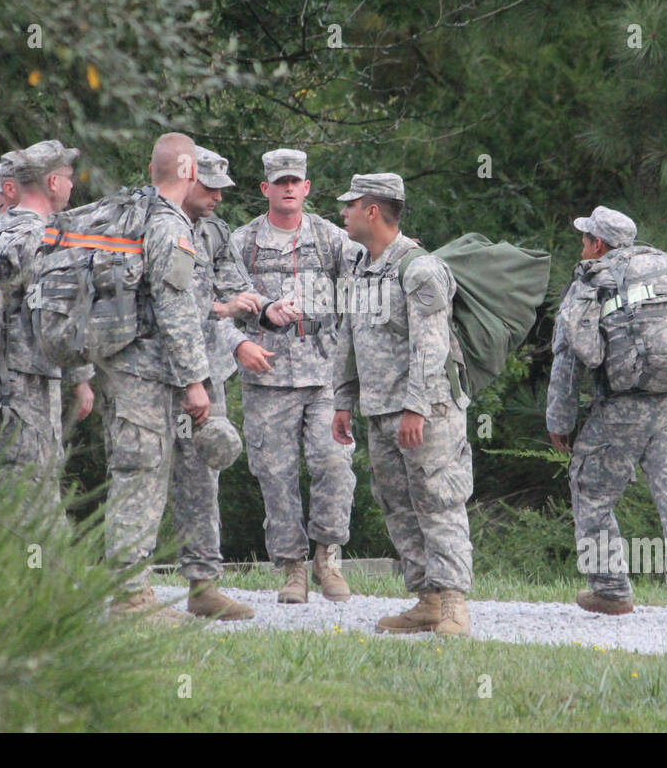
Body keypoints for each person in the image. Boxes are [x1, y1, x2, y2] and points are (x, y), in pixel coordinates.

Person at [545, 206, 667, 624]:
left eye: (585, 240)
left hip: (621, 408)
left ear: (598, 244)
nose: (581, 247)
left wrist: (559, 421)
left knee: (592, 491)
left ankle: (611, 590)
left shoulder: (593, 279)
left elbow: (568, 358)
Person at [331, 173, 474, 637]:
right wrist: (343, 400)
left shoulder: (420, 268)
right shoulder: (359, 266)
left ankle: (454, 603)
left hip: (427, 411)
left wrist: (416, 407)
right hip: (380, 409)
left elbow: (431, 345)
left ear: (373, 210)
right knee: (396, 503)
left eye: (350, 205)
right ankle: (427, 601)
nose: (344, 213)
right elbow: (350, 339)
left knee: (438, 499)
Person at [168, 146, 294, 620]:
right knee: (144, 472)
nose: (219, 197)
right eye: (210, 187)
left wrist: (263, 309)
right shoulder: (159, 228)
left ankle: (203, 584)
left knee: (204, 475)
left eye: (224, 189)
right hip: (157, 375)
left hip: (206, 371)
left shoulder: (214, 232)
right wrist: (222, 315)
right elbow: (170, 306)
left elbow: (233, 288)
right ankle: (131, 588)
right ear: (186, 180)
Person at [230, 147, 357, 604]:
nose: (287, 188)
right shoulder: (241, 243)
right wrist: (239, 343)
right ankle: (292, 568)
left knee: (334, 463)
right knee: (274, 474)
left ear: (306, 188)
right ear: (265, 188)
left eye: (295, 181)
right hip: (267, 377)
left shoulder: (330, 238)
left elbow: (371, 272)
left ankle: (328, 556)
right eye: (278, 182)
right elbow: (216, 303)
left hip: (325, 374)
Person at [99, 132, 213, 624]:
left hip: (125, 372)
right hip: (142, 378)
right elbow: (174, 306)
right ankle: (130, 601)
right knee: (140, 482)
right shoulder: (170, 227)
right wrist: (195, 380)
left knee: (135, 477)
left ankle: (131, 592)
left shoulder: (137, 215)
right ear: (187, 170)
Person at [0, 140, 94, 528]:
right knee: (31, 486)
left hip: (19, 377)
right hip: (21, 380)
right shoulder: (33, 238)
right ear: (52, 181)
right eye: (68, 178)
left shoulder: (1, 227)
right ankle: (44, 576)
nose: (71, 186)